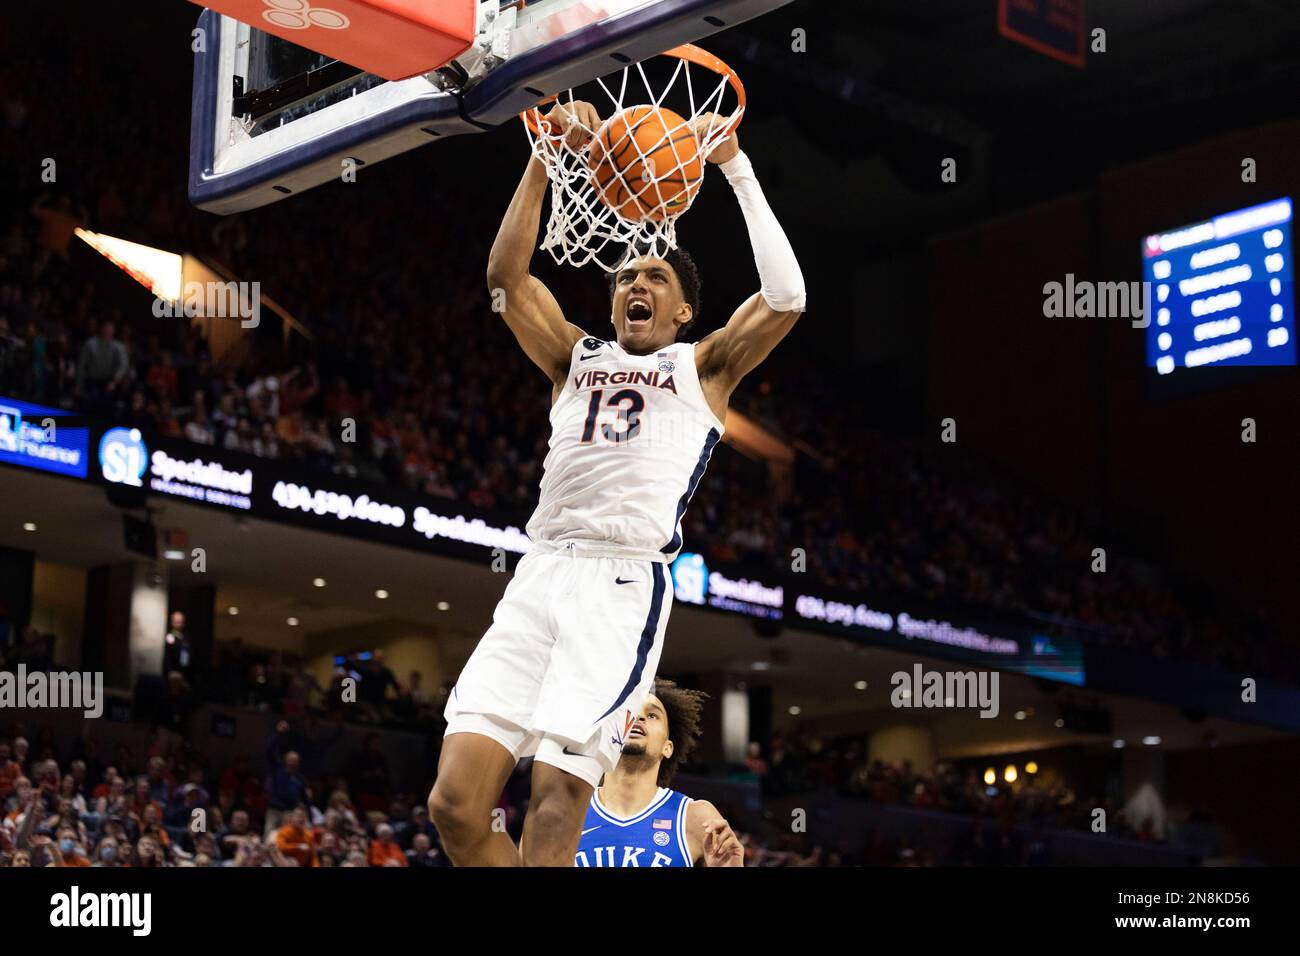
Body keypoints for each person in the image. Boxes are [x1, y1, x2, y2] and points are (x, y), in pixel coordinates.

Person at [430, 99, 806, 867]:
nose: (637, 283)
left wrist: (734, 165)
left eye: (656, 275)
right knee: (455, 806)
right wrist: (546, 152)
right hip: (541, 569)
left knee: (557, 798)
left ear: (684, 308)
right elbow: (506, 276)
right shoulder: (576, 356)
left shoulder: (704, 366)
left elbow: (788, 298)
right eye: (626, 275)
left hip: (621, 583)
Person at [575, 680, 743, 867]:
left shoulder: (695, 818)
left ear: (667, 747)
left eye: (652, 715)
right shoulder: (572, 808)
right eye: (627, 711)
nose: (638, 717)